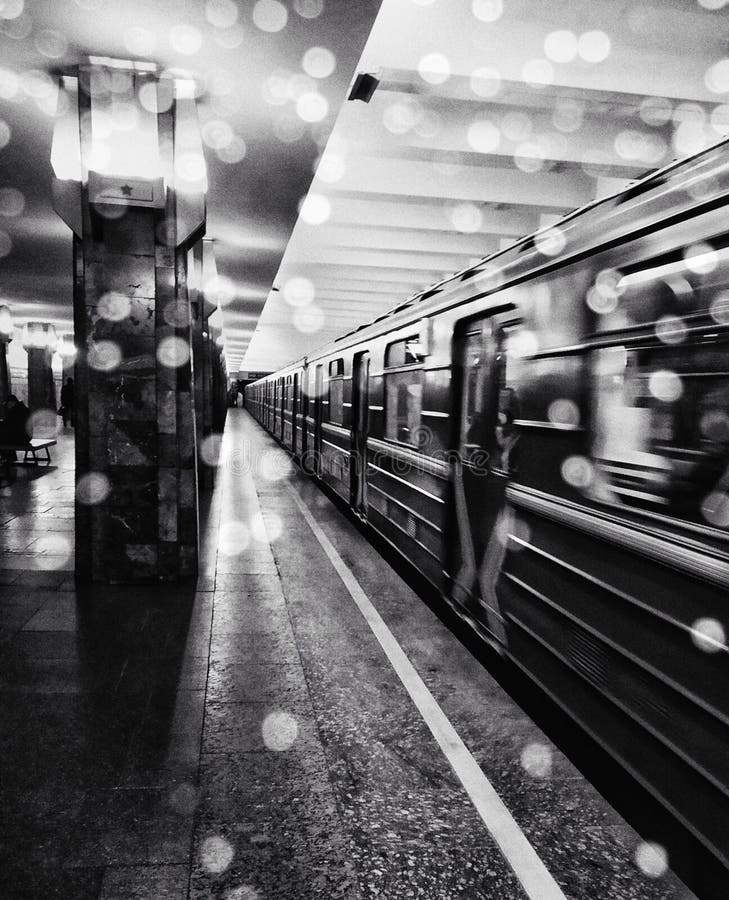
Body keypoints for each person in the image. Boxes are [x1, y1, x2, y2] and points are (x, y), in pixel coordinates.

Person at [0, 395, 31, 462]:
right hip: (27, 437)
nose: (7, 406)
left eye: (7, 404)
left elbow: (8, 425)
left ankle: (7, 457)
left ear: (12, 402)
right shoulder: (23, 409)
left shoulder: (15, 411)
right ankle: (10, 456)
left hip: (21, 438)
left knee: (2, 438)